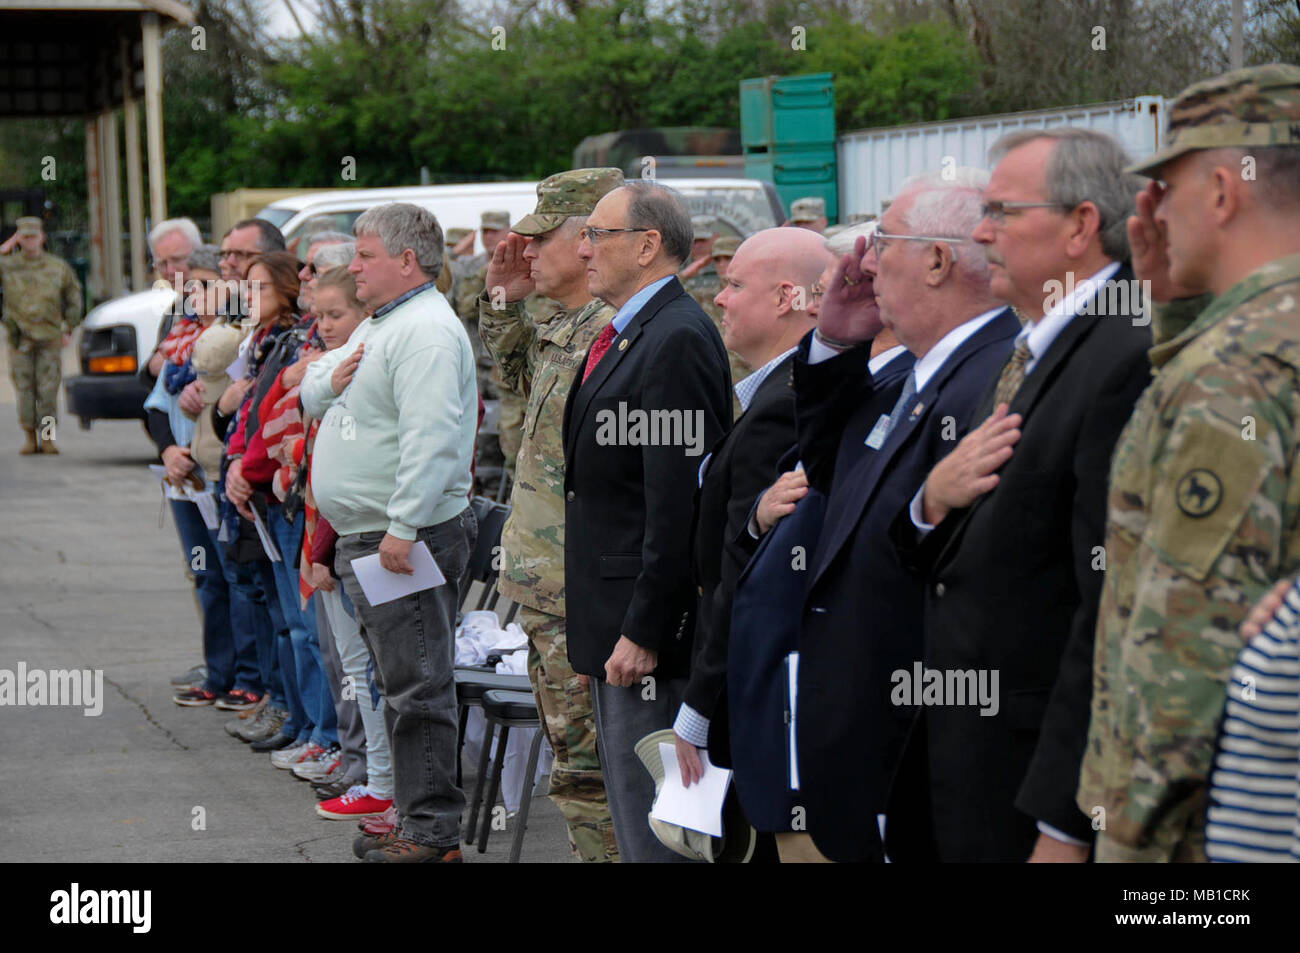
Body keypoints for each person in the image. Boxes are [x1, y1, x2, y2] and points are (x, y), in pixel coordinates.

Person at [887, 128, 1151, 862]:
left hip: (1033, 785)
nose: (980, 230)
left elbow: (1107, 613)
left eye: (1003, 211)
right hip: (972, 763)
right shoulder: (1034, 344)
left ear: (1081, 225)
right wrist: (929, 503)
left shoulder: (1126, 354)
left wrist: (1066, 819)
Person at [1079, 63, 1300, 863]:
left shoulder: (1232, 372)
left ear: (1220, 190)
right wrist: (1176, 309)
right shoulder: (1249, 347)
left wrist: (1137, 846)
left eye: (1164, 187)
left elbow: (1189, 650)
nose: (1152, 210)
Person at [790, 170, 1021, 863]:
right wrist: (835, 344)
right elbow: (840, 483)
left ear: (938, 260)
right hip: (871, 742)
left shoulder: (994, 377)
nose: (862, 263)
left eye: (882, 242)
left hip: (917, 745)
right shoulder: (912, 371)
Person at [302, 203, 478, 863]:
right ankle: (416, 819)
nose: (354, 265)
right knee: (399, 683)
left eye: (366, 253)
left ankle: (432, 835)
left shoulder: (425, 330)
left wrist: (402, 527)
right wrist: (325, 379)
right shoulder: (385, 322)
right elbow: (312, 386)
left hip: (404, 539)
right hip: (375, 536)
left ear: (407, 261)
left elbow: (432, 441)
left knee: (418, 686)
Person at [563, 180, 732, 862]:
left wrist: (644, 627)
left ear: (647, 244)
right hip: (615, 620)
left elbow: (678, 502)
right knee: (636, 821)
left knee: (659, 831)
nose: (582, 250)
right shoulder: (636, 331)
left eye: (596, 235)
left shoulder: (676, 338)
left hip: (649, 637)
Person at [478, 166, 624, 862]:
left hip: (581, 594)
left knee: (593, 774)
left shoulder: (613, 333)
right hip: (548, 590)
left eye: (542, 239)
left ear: (590, 239)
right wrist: (503, 302)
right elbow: (513, 382)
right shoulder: (568, 327)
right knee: (576, 768)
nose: (525, 251)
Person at [670, 227, 830, 807]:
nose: (718, 296)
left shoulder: (786, 403)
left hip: (756, 687)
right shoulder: (777, 391)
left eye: (735, 284)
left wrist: (699, 705)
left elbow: (739, 578)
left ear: (788, 297)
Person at [0, 216, 82, 454]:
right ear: (18, 239)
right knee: (25, 390)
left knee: (48, 391)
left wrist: (69, 327)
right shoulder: (8, 265)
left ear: (42, 237)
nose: (29, 242)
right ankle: (29, 436)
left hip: (49, 337)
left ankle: (47, 438)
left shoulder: (57, 267)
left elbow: (73, 297)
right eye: (24, 237)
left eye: (33, 236)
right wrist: (5, 248)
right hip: (20, 338)